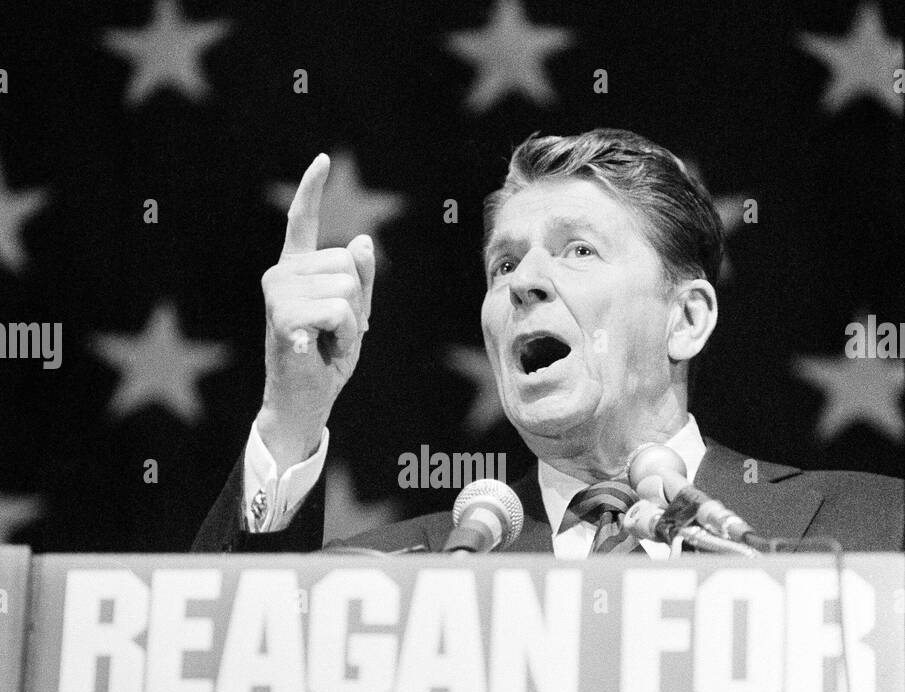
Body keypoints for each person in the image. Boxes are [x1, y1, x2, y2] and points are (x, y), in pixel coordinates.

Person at [193, 129, 904, 556]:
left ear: (686, 319)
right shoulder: (402, 571)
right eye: (503, 264)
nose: (524, 281)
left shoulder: (873, 528)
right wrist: (290, 418)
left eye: (578, 251)